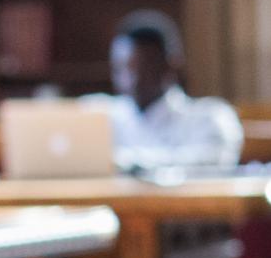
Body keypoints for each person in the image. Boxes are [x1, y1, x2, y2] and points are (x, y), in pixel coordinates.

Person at [102, 9, 242, 171]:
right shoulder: (103, 116)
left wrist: (129, 164)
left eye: (141, 68)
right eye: (121, 68)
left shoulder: (210, 118)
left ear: (171, 66)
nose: (130, 80)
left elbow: (213, 162)